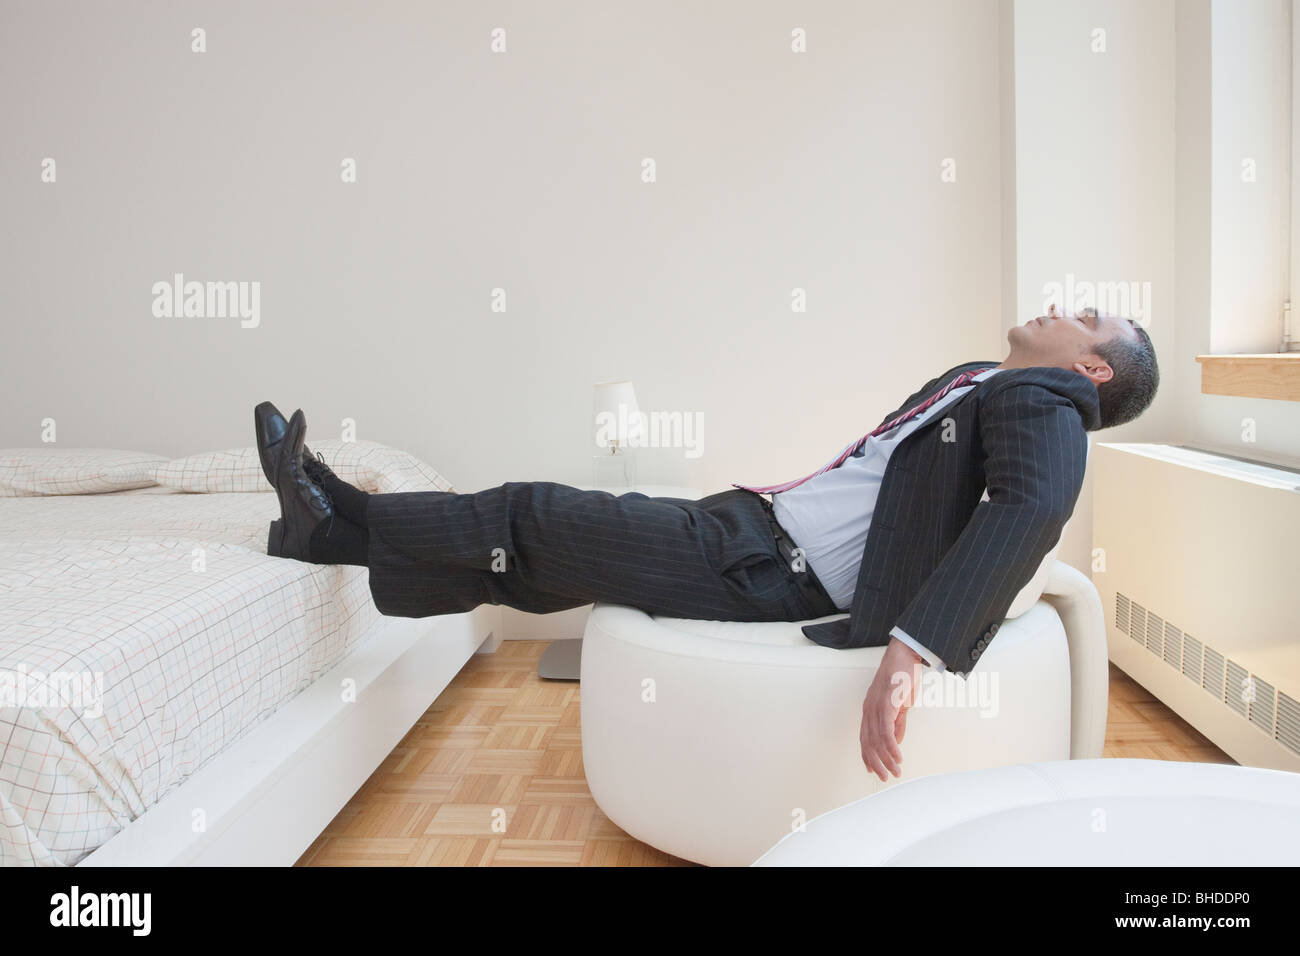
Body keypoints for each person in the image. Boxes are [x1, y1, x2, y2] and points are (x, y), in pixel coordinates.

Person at [256, 305, 1158, 780]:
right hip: (752, 526)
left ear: (1091, 370)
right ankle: (331, 527)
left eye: (1085, 317)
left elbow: (1030, 506)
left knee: (535, 517)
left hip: (770, 572)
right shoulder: (980, 377)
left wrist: (912, 650)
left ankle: (333, 518)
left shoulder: (1049, 405)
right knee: (536, 554)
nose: (1058, 306)